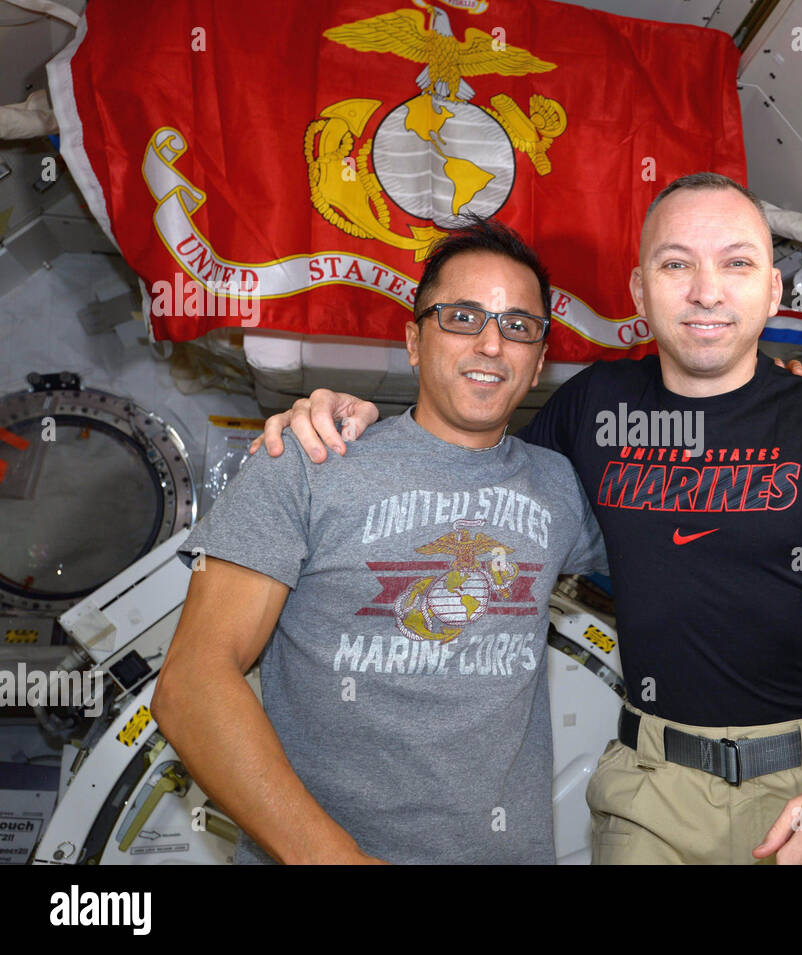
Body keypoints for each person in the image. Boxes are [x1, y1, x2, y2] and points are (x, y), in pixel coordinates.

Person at [254, 173, 802, 865]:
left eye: (736, 264)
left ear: (773, 290)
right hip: (649, 801)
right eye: (677, 265)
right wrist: (343, 418)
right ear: (640, 291)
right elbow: (468, 464)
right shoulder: (590, 407)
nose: (707, 292)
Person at [152, 217, 606, 864]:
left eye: (518, 326)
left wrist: (784, 415)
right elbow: (192, 684)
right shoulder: (305, 457)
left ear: (538, 362)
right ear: (414, 341)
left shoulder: (560, 488)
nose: (490, 343)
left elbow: (692, 558)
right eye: (461, 317)